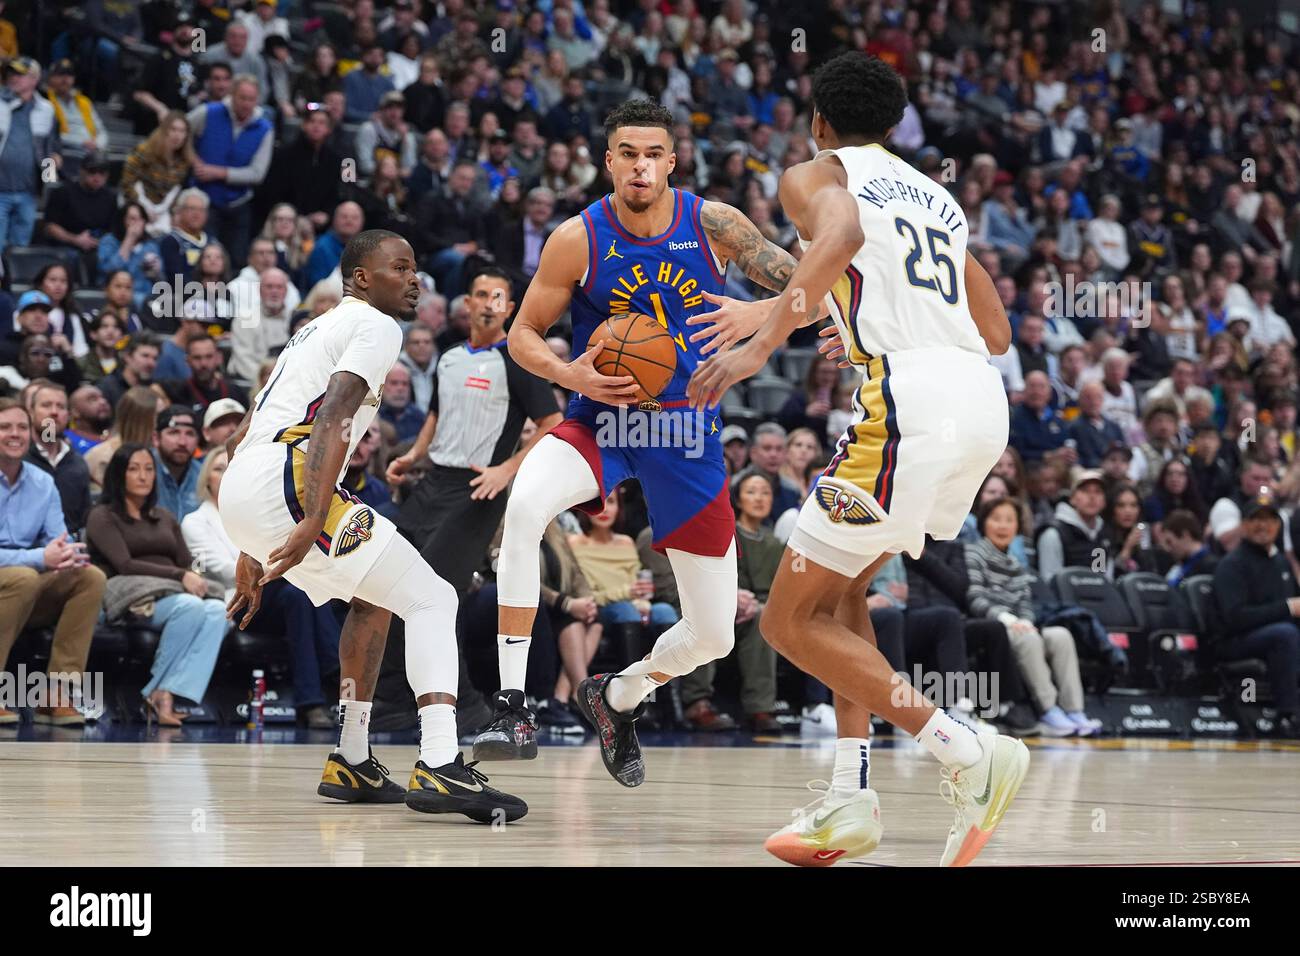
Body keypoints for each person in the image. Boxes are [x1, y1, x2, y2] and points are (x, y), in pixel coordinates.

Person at [685, 53, 1028, 868]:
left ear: (819, 123)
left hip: (908, 410)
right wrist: (804, 304)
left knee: (784, 620)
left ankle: (966, 750)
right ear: (896, 123)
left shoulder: (816, 173)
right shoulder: (937, 198)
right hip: (979, 403)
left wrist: (766, 340)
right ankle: (849, 798)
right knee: (841, 598)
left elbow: (838, 235)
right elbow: (996, 331)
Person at [480, 98, 818, 778]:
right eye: (627, 153)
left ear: (672, 161)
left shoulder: (714, 223)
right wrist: (567, 369)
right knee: (521, 510)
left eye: (652, 153)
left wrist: (757, 312)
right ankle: (513, 704)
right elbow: (520, 334)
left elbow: (811, 291)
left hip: (685, 429)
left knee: (715, 632)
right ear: (608, 161)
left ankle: (619, 694)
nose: (640, 165)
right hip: (600, 418)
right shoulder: (578, 237)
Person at [217, 229, 527, 820]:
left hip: (250, 484)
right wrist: (310, 516)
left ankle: (352, 759)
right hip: (291, 479)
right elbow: (334, 415)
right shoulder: (376, 325)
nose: (415, 280)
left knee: (373, 599)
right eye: (400, 268)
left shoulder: (314, 329)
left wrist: (248, 543)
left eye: (416, 270)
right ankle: (440, 764)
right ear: (362, 278)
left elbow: (244, 427)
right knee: (434, 598)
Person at [183, 446, 341, 729]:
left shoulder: (252, 514)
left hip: (280, 597)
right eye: (218, 469)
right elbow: (222, 570)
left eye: (231, 469)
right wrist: (277, 565)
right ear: (206, 478)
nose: (225, 474)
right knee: (299, 590)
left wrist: (276, 564)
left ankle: (312, 699)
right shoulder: (194, 522)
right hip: (236, 603)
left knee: (303, 592)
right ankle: (334, 663)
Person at [0, 398, 107, 726]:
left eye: (21, 427)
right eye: (5, 427)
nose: (15, 434)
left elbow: (58, 540)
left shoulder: (42, 482)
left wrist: (68, 555)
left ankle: (56, 692)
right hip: (18, 578)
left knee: (91, 577)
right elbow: (39, 557)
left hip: (25, 584)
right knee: (24, 577)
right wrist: (38, 557)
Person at [966, 497, 1098, 736]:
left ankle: (1074, 710)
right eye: (996, 519)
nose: (1003, 526)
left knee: (1060, 635)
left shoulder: (1016, 564)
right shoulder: (974, 555)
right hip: (995, 626)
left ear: (1017, 526)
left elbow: (1025, 602)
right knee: (1029, 640)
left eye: (1009, 520)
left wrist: (1025, 620)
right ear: (984, 523)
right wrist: (1009, 619)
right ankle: (1048, 709)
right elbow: (975, 598)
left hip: (1019, 625)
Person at [1211, 492, 1300, 738]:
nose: (1263, 525)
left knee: (1287, 634)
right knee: (1285, 634)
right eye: (1255, 519)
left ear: (1278, 525)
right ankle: (1288, 715)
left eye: (1269, 519)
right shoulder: (1232, 565)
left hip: (1277, 637)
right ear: (1243, 525)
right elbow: (1235, 618)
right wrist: (1287, 608)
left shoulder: (1281, 563)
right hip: (1233, 641)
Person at [187, 74, 274, 267]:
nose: (246, 103)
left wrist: (218, 173)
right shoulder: (208, 112)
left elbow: (257, 173)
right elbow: (179, 131)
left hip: (239, 203)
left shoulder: (265, 128)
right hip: (204, 199)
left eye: (251, 99)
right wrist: (194, 159)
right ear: (232, 95)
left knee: (236, 259)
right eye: (242, 97)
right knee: (204, 257)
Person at [0, 57, 57, 249]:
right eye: (11, 73)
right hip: (0, 191)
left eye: (19, 74)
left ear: (34, 79)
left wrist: (49, 182)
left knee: (20, 248)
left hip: (29, 193)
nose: (13, 78)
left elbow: (50, 148)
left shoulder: (46, 109)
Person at [24, 382, 92, 534]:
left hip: (71, 546)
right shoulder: (17, 460)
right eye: (46, 405)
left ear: (68, 416)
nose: (54, 412)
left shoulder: (78, 462)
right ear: (31, 413)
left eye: (60, 407)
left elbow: (85, 519)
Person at [84, 385, 159, 493]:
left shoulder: (162, 452)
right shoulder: (102, 457)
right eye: (158, 415)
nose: (164, 420)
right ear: (142, 421)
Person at [152, 405, 203, 523]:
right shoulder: (141, 471)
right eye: (174, 432)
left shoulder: (204, 476)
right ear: (156, 438)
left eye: (190, 434)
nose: (182, 442)